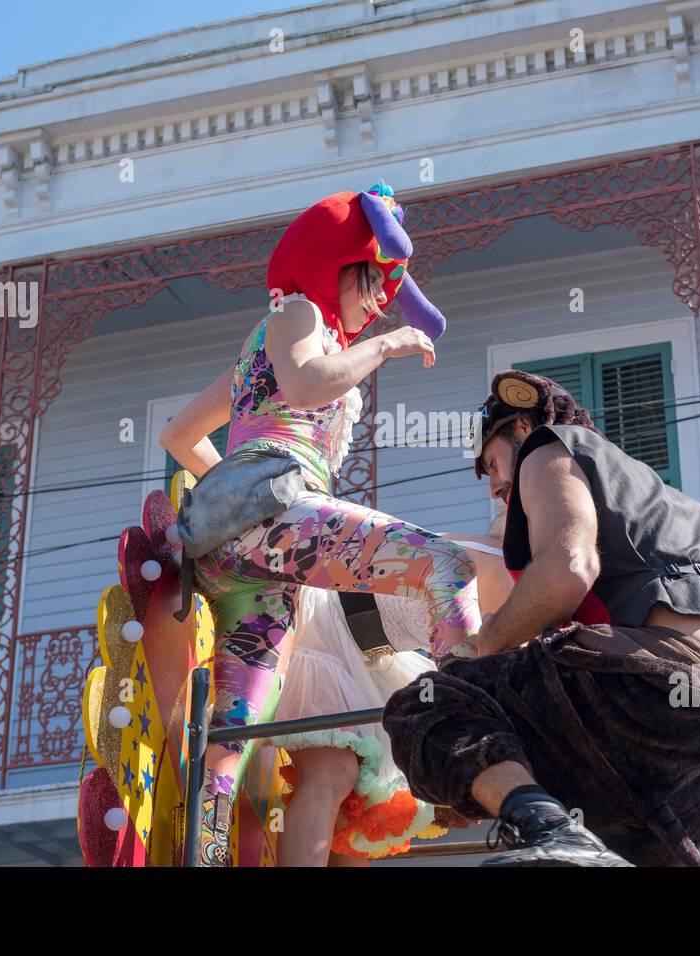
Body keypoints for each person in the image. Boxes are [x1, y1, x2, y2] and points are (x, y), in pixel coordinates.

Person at [161, 184, 483, 866]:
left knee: (233, 733)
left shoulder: (264, 343)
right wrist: (388, 345)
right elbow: (308, 386)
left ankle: (205, 857)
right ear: (336, 265)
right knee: (446, 565)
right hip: (277, 519)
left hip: (239, 547)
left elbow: (178, 434)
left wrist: (229, 497)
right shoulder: (298, 312)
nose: (379, 304)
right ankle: (477, 734)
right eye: (373, 283)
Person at [382, 369, 700, 866]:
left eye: (492, 463)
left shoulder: (548, 447)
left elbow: (568, 568)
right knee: (585, 846)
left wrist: (485, 647)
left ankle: (548, 826)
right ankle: (557, 830)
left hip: (655, 692)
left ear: (521, 426)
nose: (495, 484)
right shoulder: (654, 499)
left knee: (427, 703)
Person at [270, 521, 512, 866]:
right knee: (333, 774)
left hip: (367, 654)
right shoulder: (511, 575)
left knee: (363, 796)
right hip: (321, 618)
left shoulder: (512, 572)